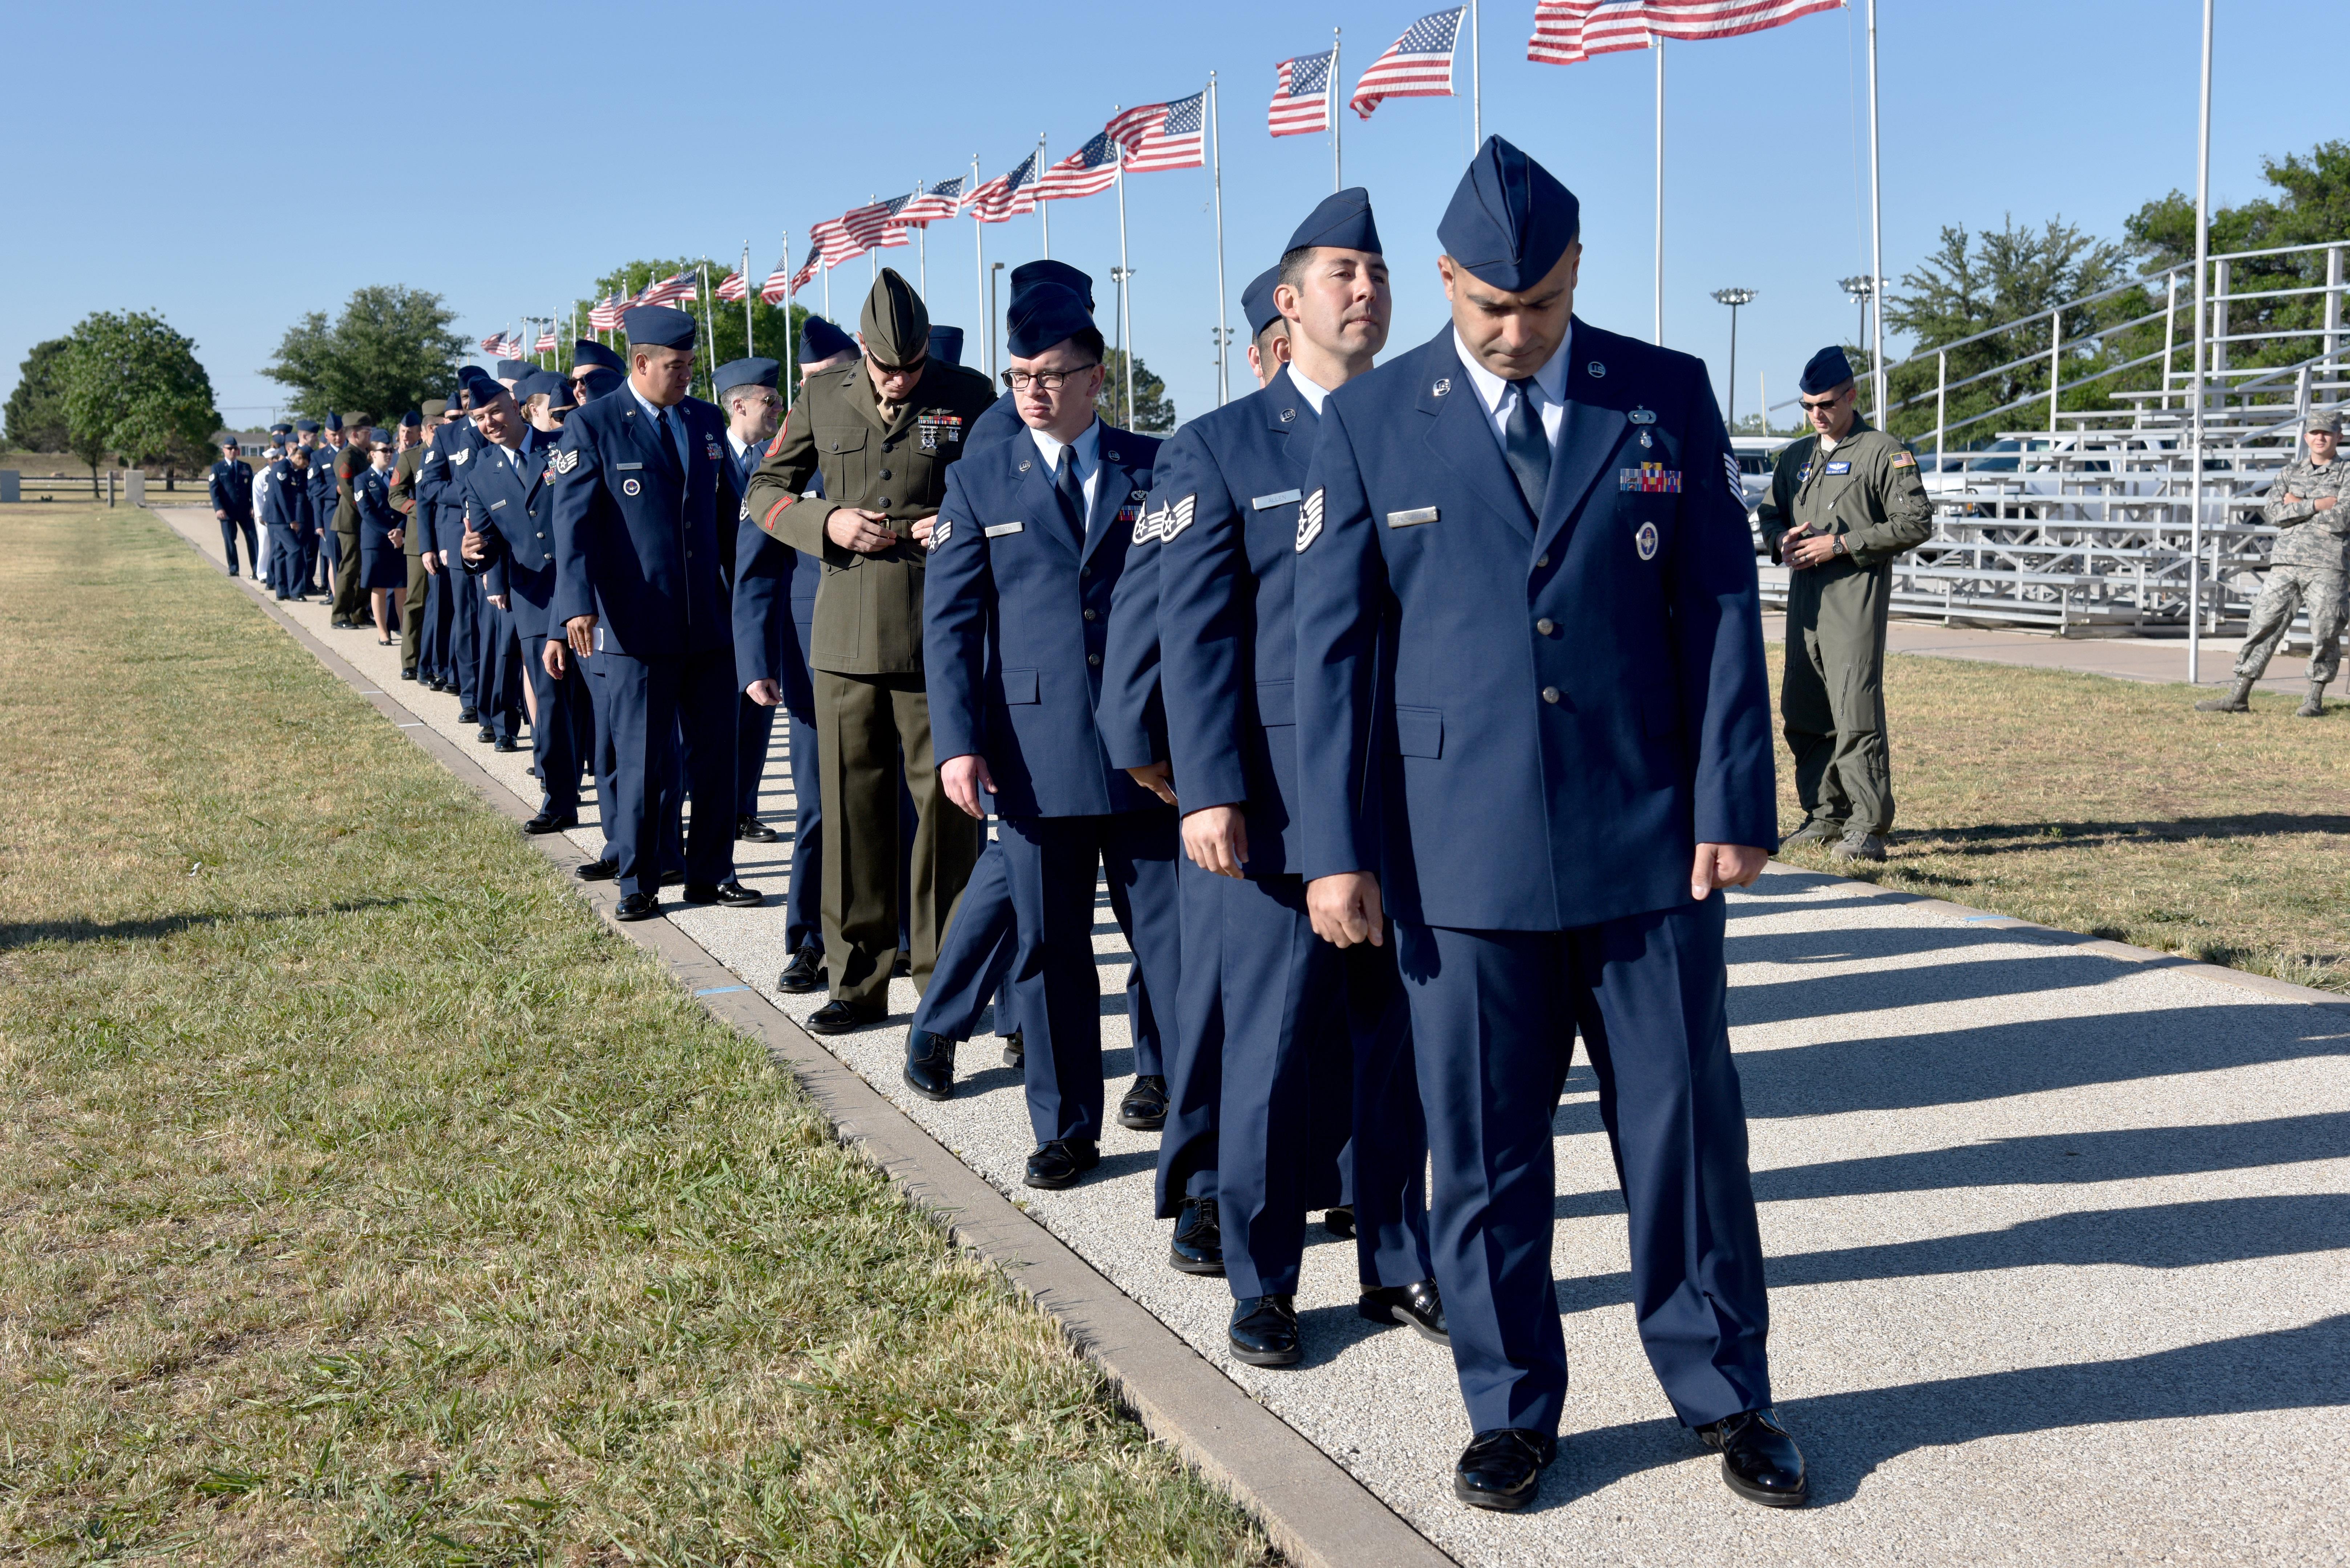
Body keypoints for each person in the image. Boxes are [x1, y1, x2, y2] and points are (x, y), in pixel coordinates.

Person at [1294, 135, 1802, 1512]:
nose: (1515, 335)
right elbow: (1332, 652)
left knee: (1688, 1134)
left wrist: (1732, 799)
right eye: (1488, 307)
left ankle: (1725, 1391)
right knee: (1485, 1148)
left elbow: (1713, 609)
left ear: (1578, 274)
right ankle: (1511, 1404)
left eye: (1542, 306)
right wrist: (1335, 851)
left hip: (1649, 843)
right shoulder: (1370, 419)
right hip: (1458, 856)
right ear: (1445, 278)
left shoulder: (1665, 394)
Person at [1153, 192, 1436, 1363]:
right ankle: (1263, 1281)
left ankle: (1399, 1259)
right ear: (1288, 299)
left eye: (1374, 270)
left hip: (1413, 798)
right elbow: (1194, 633)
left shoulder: (1428, 424)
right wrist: (1207, 784)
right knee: (1272, 1055)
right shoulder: (1219, 443)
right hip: (1271, 803)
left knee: (1402, 1047)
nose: (1362, 289)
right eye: (1338, 272)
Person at [922, 282, 1177, 1190]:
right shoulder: (979, 478)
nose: (1031, 391)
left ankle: (1191, 1116)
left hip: (1151, 757)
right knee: (1048, 948)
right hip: (1032, 757)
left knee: (1173, 947)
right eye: (1019, 374)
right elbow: (949, 621)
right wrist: (958, 741)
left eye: (1051, 375)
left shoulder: (1159, 467)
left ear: (1095, 378)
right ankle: (1067, 1124)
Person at [1096, 258, 1296, 1271]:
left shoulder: (1396, 437)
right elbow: (1150, 603)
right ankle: (1207, 1185)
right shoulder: (1214, 449)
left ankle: (1331, 1179)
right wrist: (1139, 742)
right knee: (1224, 1002)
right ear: (1270, 347)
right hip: (1243, 771)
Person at [744, 271, 994, 1031]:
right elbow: (764, 489)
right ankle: (856, 980)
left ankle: (944, 981)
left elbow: (995, 486)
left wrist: (946, 520)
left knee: (947, 816)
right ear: (863, 352)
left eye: (912, 368)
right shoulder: (823, 396)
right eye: (887, 368)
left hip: (934, 635)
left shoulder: (969, 393)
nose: (900, 380)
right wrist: (826, 523)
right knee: (853, 816)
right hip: (846, 637)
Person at [549, 304, 759, 920]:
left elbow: (728, 519)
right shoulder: (594, 426)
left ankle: (710, 871)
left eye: (691, 364)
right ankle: (638, 880)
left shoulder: (703, 419)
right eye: (676, 365)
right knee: (643, 761)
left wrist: (747, 598)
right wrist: (575, 607)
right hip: (637, 625)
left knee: (716, 756)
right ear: (640, 363)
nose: (687, 375)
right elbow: (573, 525)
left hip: (708, 624)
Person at [1755, 346, 1933, 862]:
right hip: (1805, 604)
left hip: (1853, 601)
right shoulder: (1795, 457)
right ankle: (1825, 813)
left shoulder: (1882, 451)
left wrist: (1841, 544)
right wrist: (1779, 541)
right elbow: (1769, 515)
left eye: (1827, 404)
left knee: (1855, 711)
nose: (1817, 414)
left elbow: (1916, 522)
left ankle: (1868, 825)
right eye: (1808, 405)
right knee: (1804, 710)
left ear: (1852, 396)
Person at [460, 371, 594, 832]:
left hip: (591, 594)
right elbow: (488, 542)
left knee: (607, 701)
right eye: (479, 418)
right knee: (552, 705)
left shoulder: (561, 446)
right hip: (536, 602)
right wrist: (472, 556)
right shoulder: (479, 476)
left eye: (495, 411)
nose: (489, 422)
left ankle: (633, 804)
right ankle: (559, 800)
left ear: (515, 405)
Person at [2197, 408, 2349, 717]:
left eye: (2327, 432)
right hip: (2285, 564)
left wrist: (2297, 505)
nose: (2320, 437)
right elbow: (2274, 513)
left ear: (2339, 436)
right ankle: (2238, 696)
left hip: (2328, 565)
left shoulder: (2346, 474)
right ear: (2306, 436)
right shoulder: (2289, 473)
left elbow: (2343, 517)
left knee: (2325, 632)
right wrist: (2319, 504)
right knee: (2262, 625)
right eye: (2315, 432)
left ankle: (2313, 699)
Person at [715, 356, 788, 848]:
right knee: (709, 720)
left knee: (755, 715)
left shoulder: (779, 460)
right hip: (714, 606)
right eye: (770, 401)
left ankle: (743, 809)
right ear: (739, 404)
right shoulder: (703, 454)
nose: (779, 410)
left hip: (762, 609)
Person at [354, 430, 407, 644]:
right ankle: (383, 632)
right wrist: (390, 532)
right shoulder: (363, 479)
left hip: (399, 539)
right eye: (384, 450)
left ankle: (405, 629)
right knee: (380, 587)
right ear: (372, 454)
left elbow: (406, 504)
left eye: (391, 450)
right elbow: (367, 512)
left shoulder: (397, 476)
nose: (389, 454)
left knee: (402, 586)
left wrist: (401, 530)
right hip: (376, 541)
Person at [330, 413, 374, 628]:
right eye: (367, 432)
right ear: (355, 434)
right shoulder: (346, 457)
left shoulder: (363, 455)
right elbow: (349, 492)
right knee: (349, 568)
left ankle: (358, 612)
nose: (370, 435)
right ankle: (340, 615)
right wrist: (369, 511)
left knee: (364, 569)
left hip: (364, 521)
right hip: (351, 522)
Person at [258, 443, 312, 600]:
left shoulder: (288, 468)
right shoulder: (283, 468)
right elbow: (282, 497)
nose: (304, 467)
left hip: (277, 517)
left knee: (280, 553)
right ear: (299, 457)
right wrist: (292, 520)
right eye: (305, 463)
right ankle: (295, 591)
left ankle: (282, 591)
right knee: (295, 550)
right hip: (279, 518)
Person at [208, 439, 257, 579]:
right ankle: (234, 568)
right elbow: (214, 491)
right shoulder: (217, 468)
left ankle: (257, 570)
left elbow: (251, 489)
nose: (233, 452)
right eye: (230, 449)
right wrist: (219, 508)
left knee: (253, 539)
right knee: (230, 540)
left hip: (245, 511)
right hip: (227, 512)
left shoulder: (245, 467)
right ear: (223, 450)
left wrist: (254, 506)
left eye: (235, 449)